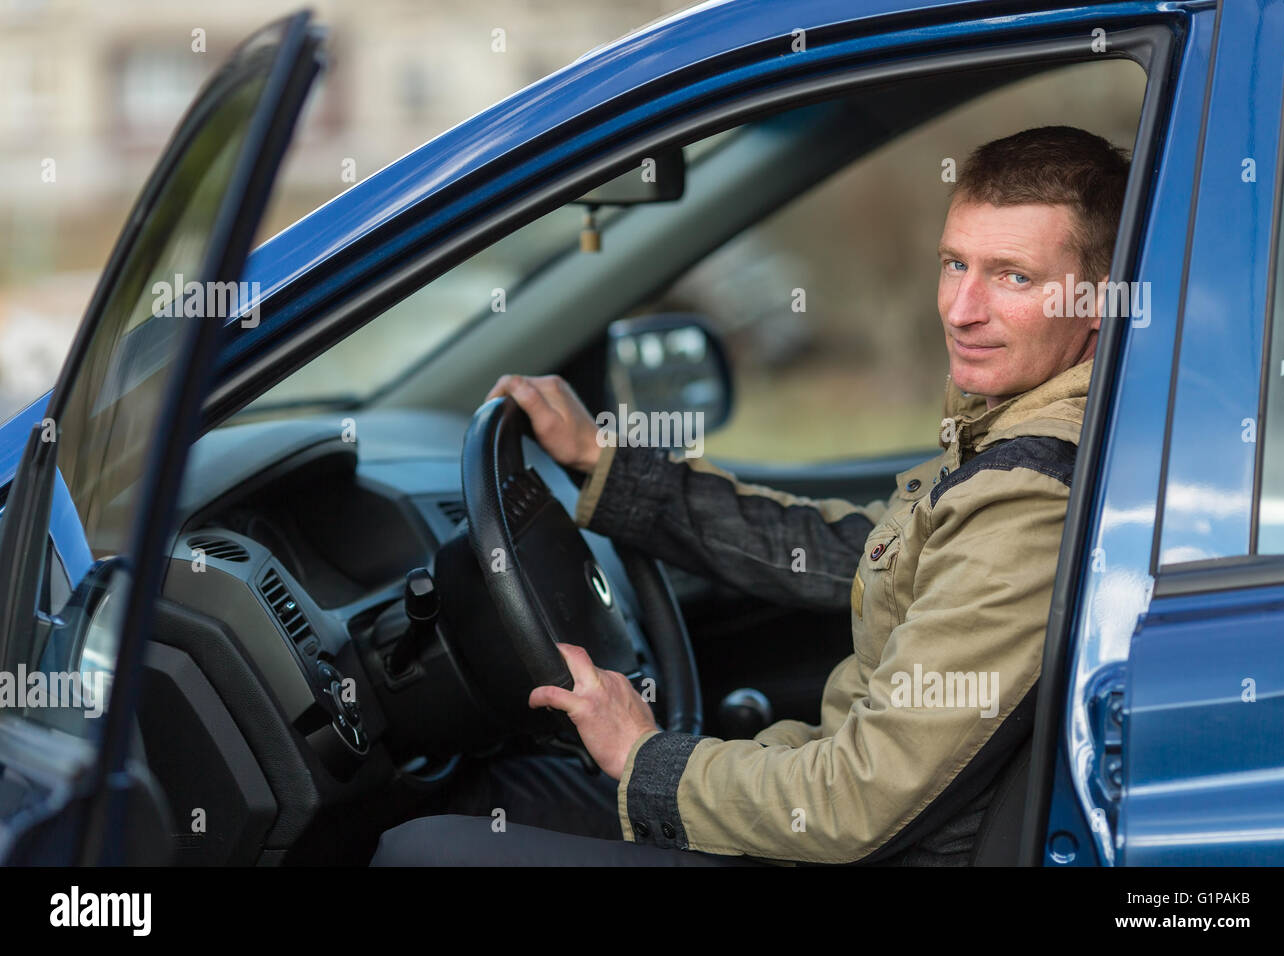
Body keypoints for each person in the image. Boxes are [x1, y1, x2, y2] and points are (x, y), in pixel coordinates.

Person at [370, 125, 1129, 866]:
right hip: (817, 809)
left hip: (846, 842)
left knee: (419, 848)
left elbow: (857, 803)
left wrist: (645, 753)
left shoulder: (1028, 492)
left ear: (1096, 301)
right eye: (954, 263)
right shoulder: (1001, 433)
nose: (961, 309)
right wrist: (609, 463)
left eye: (1013, 277)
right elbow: (851, 555)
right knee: (490, 795)